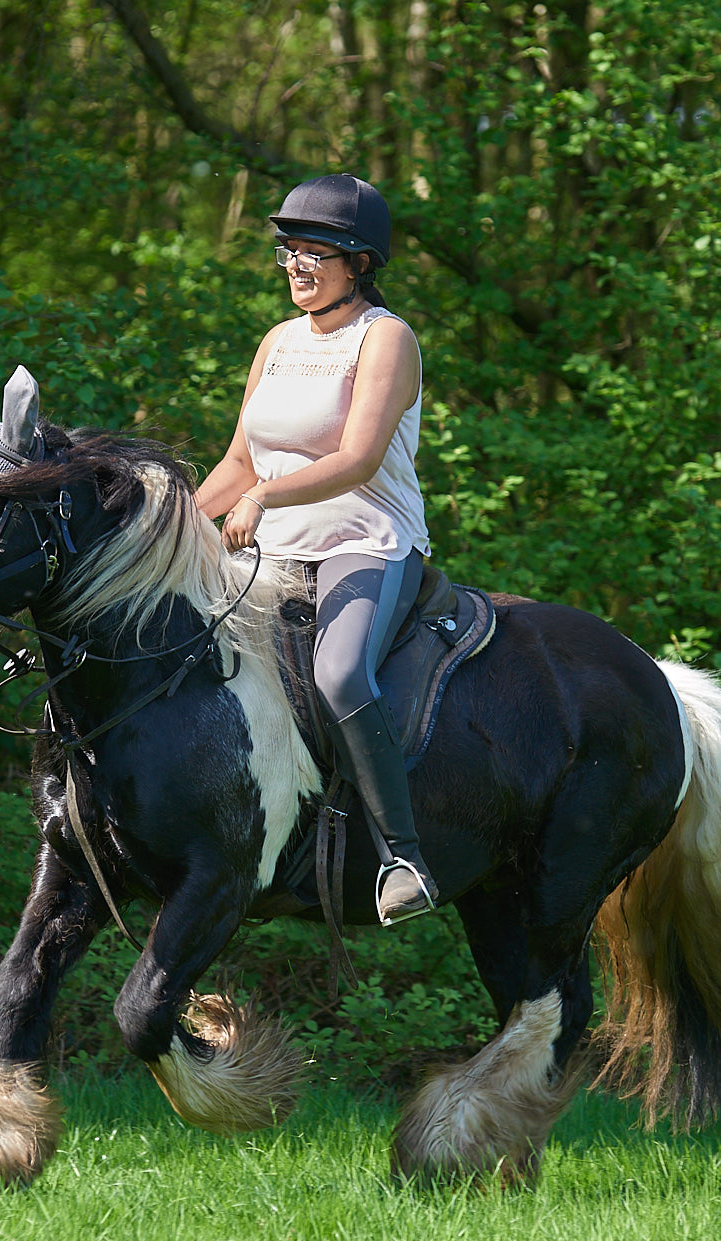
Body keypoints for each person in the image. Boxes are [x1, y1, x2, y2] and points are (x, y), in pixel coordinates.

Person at [193, 173, 437, 925]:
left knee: (337, 673)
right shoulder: (277, 341)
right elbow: (240, 461)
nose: (295, 267)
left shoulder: (386, 338)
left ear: (359, 263)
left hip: (365, 541)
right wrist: (169, 527)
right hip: (269, 550)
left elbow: (360, 458)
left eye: (313, 253)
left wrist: (265, 497)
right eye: (287, 252)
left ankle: (404, 856)